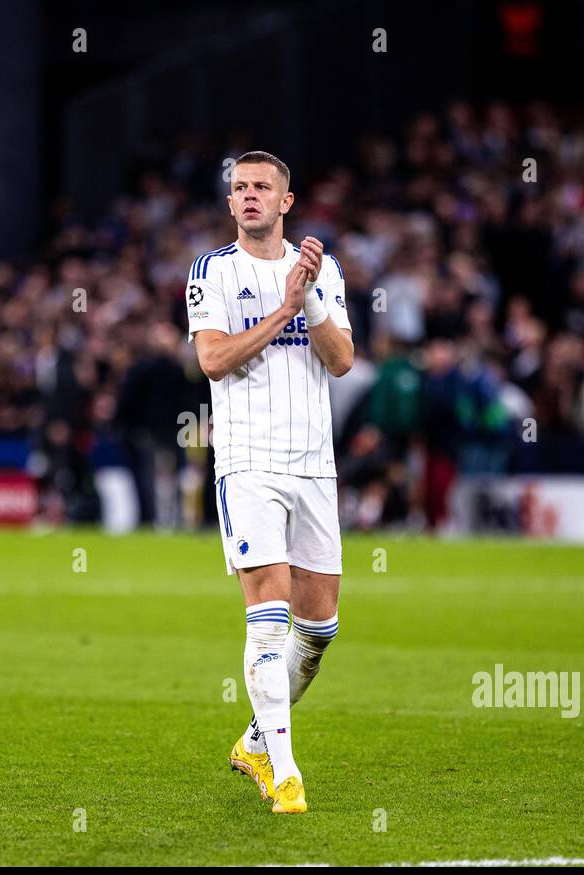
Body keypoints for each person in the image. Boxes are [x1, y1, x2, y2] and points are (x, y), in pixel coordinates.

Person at [187, 150, 354, 813]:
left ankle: (258, 739)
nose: (249, 196)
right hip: (248, 462)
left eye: (262, 187)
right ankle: (285, 774)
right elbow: (213, 359)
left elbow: (342, 361)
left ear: (287, 202)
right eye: (239, 188)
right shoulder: (213, 271)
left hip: (314, 463)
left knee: (319, 632)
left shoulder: (324, 271)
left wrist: (307, 295)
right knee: (268, 621)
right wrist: (283, 311)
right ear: (230, 203)